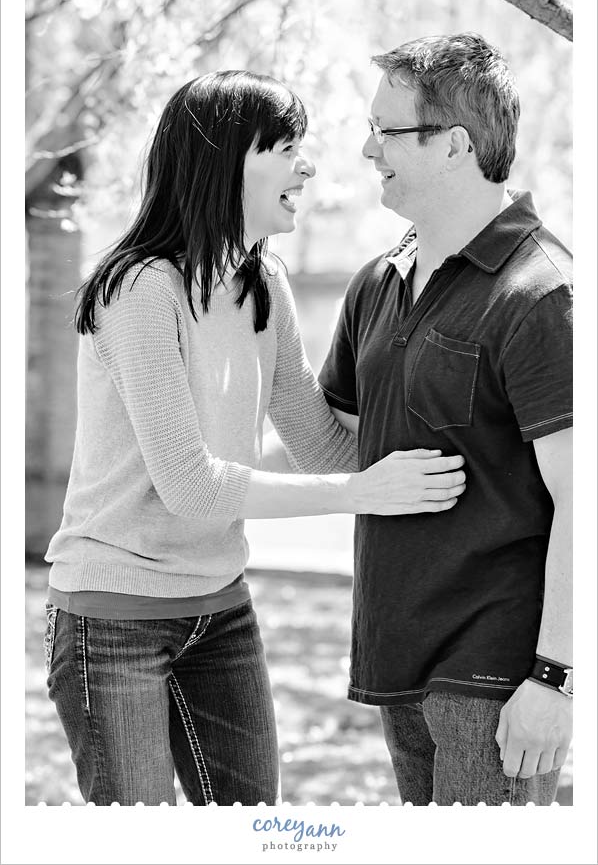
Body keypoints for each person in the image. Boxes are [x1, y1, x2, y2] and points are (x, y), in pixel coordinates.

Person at [43, 70, 466, 806]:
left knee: (251, 831)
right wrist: (364, 492)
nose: (307, 166)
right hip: (112, 621)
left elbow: (319, 442)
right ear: (223, 160)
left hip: (220, 610)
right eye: (286, 147)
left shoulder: (261, 280)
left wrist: (447, 433)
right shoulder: (140, 289)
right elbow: (191, 486)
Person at [319, 34, 573, 806]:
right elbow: (328, 441)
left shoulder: (543, 294)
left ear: (456, 144)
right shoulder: (380, 279)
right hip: (397, 663)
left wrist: (556, 678)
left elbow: (583, 499)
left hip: (496, 680)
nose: (368, 149)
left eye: (386, 131)